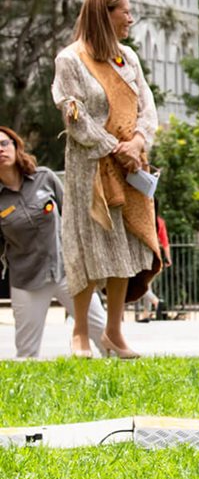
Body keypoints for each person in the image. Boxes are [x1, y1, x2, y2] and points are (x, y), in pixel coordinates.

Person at [51, 0, 158, 359]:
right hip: (91, 167)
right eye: (124, 11)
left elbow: (148, 106)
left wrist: (139, 142)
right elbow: (74, 116)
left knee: (124, 247)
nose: (130, 18)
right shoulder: (71, 60)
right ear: (104, 14)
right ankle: (80, 332)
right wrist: (115, 148)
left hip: (131, 165)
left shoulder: (127, 57)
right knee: (89, 242)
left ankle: (114, 332)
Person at [0, 126, 107, 358]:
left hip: (67, 270)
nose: (0, 150)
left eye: (4, 143)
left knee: (104, 333)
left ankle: (121, 379)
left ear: (16, 146)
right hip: (26, 280)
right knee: (27, 355)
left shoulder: (44, 178)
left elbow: (72, 215)